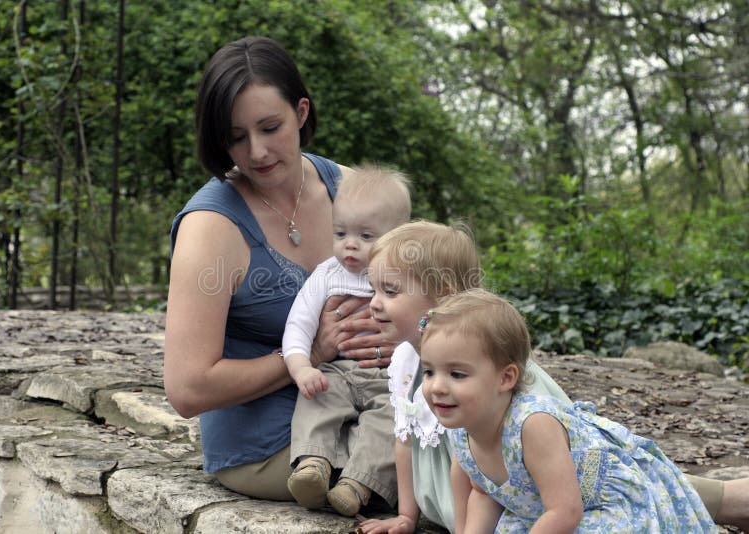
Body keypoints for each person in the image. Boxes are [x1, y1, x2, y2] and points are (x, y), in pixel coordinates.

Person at [358, 221, 749, 533]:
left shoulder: (514, 390)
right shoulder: (409, 365)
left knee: (650, 487)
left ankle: (728, 499)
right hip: (512, 495)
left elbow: (570, 455)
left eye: (389, 290)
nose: (374, 303)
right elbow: (413, 446)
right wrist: (407, 516)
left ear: (442, 295)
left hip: (571, 485)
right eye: (372, 289)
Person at [164, 35, 394, 502]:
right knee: (441, 462)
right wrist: (309, 350)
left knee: (491, 413)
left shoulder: (351, 189)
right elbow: (187, 389)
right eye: (236, 137)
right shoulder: (210, 227)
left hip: (373, 403)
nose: (257, 152)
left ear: (302, 113)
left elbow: (416, 293)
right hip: (273, 444)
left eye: (270, 127)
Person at [420, 288, 716, 532]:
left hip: (598, 506)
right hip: (540, 516)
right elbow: (484, 493)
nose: (437, 387)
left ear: (505, 378)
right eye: (429, 372)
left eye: (457, 374)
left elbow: (565, 509)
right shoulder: (462, 432)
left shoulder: (532, 425)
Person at [282, 164, 411, 516]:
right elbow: (298, 325)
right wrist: (301, 368)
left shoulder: (407, 280)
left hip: (387, 379)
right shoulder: (327, 275)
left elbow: (427, 325)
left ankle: (358, 485)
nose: (350, 245)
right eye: (341, 233)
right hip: (335, 371)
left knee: (392, 422)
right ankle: (313, 465)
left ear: (397, 237)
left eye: (366, 236)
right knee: (314, 401)